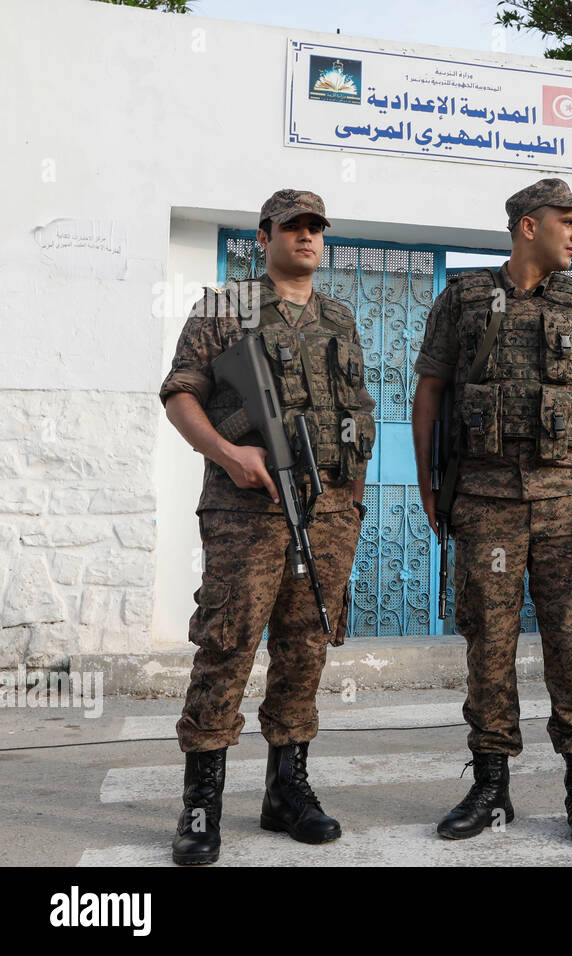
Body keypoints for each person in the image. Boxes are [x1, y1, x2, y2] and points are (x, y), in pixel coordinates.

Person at [160, 189, 375, 864]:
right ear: (265, 235)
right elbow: (180, 392)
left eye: (316, 228)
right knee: (226, 647)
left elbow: (355, 406)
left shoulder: (339, 314)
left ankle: (287, 790)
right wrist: (228, 450)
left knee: (305, 646)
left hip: (330, 512)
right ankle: (201, 804)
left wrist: (350, 488)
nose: (307, 237)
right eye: (294, 227)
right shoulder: (225, 306)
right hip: (244, 513)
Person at [411, 179, 572, 846]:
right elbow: (429, 390)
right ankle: (489, 787)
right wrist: (426, 483)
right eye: (569, 221)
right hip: (483, 503)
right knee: (489, 646)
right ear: (527, 225)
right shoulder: (464, 300)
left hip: (565, 501)